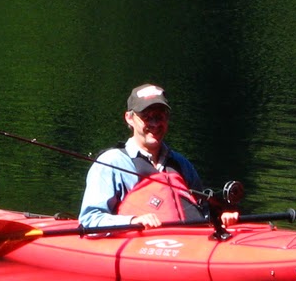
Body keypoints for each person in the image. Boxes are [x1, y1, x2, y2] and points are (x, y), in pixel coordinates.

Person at [79, 84, 236, 230]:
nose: (155, 123)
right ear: (129, 118)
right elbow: (90, 220)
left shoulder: (181, 164)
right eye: (147, 117)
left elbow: (204, 211)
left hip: (187, 246)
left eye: (160, 116)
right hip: (138, 251)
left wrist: (220, 218)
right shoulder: (110, 163)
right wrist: (132, 221)